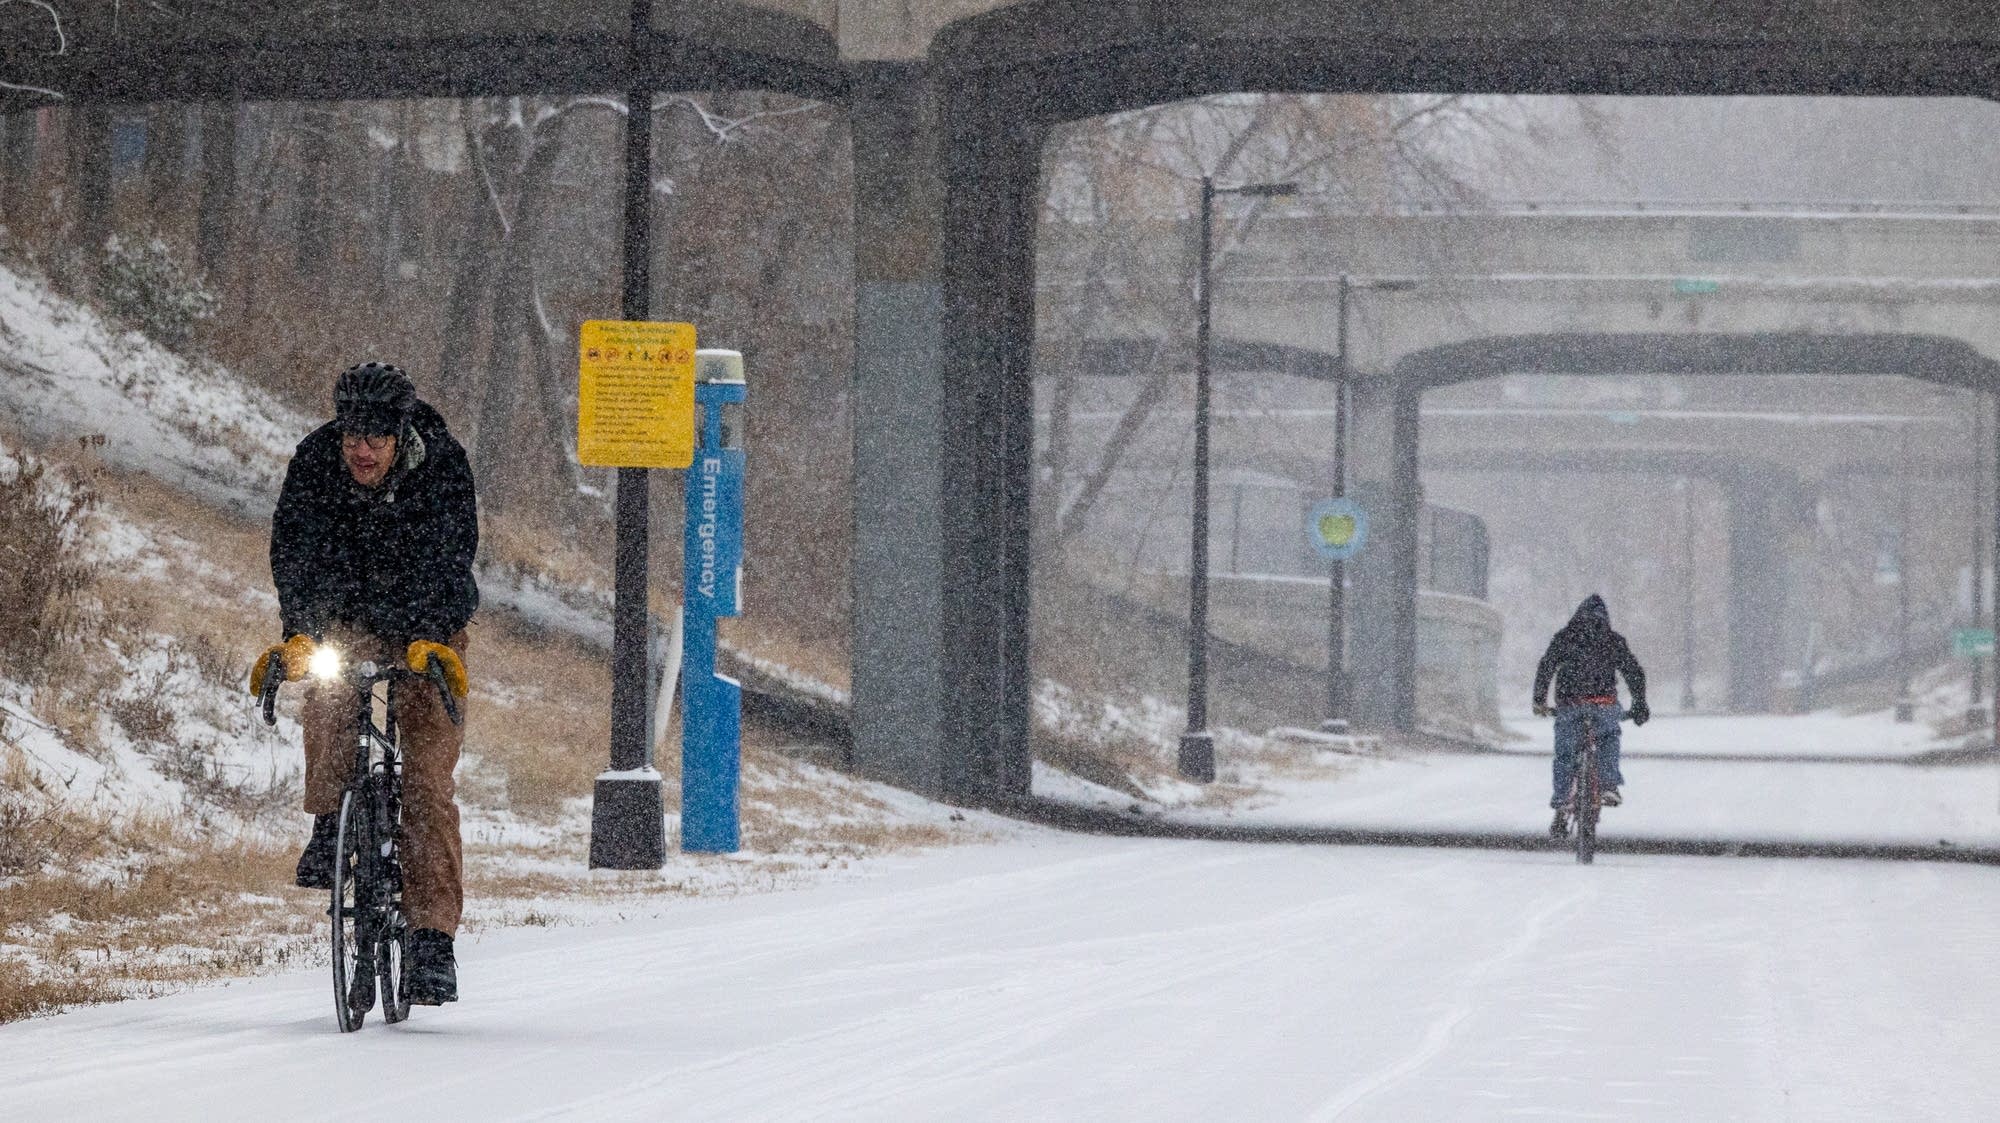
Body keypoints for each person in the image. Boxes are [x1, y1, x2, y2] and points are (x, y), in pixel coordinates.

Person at [249, 362, 478, 1005]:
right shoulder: (315, 462)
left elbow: (452, 558)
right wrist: (301, 632)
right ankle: (330, 823)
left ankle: (433, 942)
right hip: (346, 620)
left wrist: (433, 634)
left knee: (428, 780)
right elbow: (293, 553)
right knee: (326, 688)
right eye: (353, 434)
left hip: (426, 628)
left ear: (399, 433)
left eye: (376, 437)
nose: (362, 449)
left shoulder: (441, 467)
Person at [1531, 594, 1649, 836]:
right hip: (1603, 702)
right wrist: (1639, 704)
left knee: (1565, 753)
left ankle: (1563, 799)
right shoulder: (1612, 640)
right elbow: (1633, 671)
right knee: (1608, 737)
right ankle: (1608, 785)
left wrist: (1539, 700)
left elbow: (1547, 666)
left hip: (1570, 703)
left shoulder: (1565, 636)